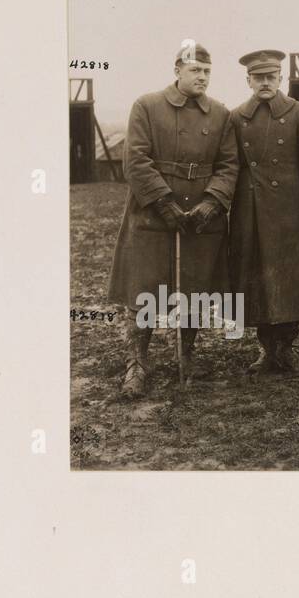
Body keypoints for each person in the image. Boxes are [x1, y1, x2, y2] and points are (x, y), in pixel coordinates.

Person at [106, 43, 239, 395]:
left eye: (208, 71)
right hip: (152, 215)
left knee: (193, 288)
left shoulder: (220, 114)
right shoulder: (147, 106)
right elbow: (135, 159)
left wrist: (212, 203)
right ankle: (137, 362)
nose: (203, 77)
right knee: (144, 290)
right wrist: (164, 204)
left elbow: (229, 165)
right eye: (196, 70)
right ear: (177, 69)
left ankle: (187, 354)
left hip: (200, 219)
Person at [228, 50, 299, 374]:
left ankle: (287, 346)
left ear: (281, 79)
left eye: (271, 77)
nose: (266, 83)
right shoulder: (236, 117)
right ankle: (267, 349)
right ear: (248, 81)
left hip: (289, 214)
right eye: (259, 78)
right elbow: (230, 166)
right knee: (256, 283)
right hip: (251, 214)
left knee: (293, 281)